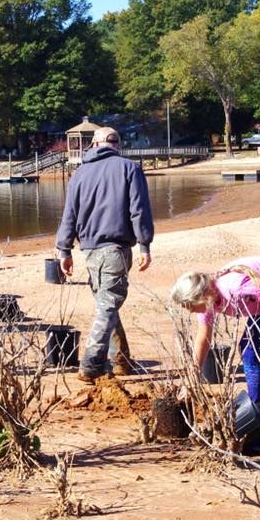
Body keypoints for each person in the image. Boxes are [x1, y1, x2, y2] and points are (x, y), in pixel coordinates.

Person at [169, 257, 260, 452]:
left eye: (191, 307)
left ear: (201, 296)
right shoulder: (209, 299)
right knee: (247, 349)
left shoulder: (233, 288)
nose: (192, 312)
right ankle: (256, 415)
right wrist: (190, 380)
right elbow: (204, 338)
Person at [55, 126, 154, 383]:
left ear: (94, 145)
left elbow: (69, 216)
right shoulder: (129, 169)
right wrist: (144, 245)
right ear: (117, 145)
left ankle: (120, 359)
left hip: (90, 251)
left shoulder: (79, 174)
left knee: (106, 303)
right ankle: (91, 364)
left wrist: (64, 250)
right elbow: (139, 210)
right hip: (115, 249)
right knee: (107, 305)